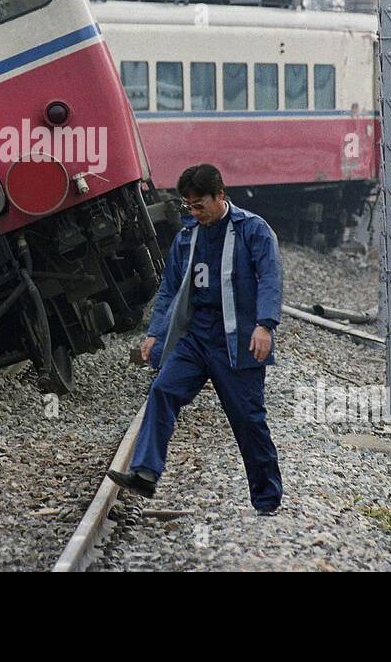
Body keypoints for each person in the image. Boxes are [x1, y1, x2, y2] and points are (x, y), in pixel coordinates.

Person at [108, 163, 285, 515]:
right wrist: (155, 334)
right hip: (197, 336)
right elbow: (170, 287)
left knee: (248, 419)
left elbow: (270, 277)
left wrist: (265, 325)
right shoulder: (188, 236)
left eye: (200, 204)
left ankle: (267, 499)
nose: (194, 212)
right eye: (188, 206)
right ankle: (145, 472)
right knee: (162, 390)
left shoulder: (253, 230)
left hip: (239, 338)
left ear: (220, 195)